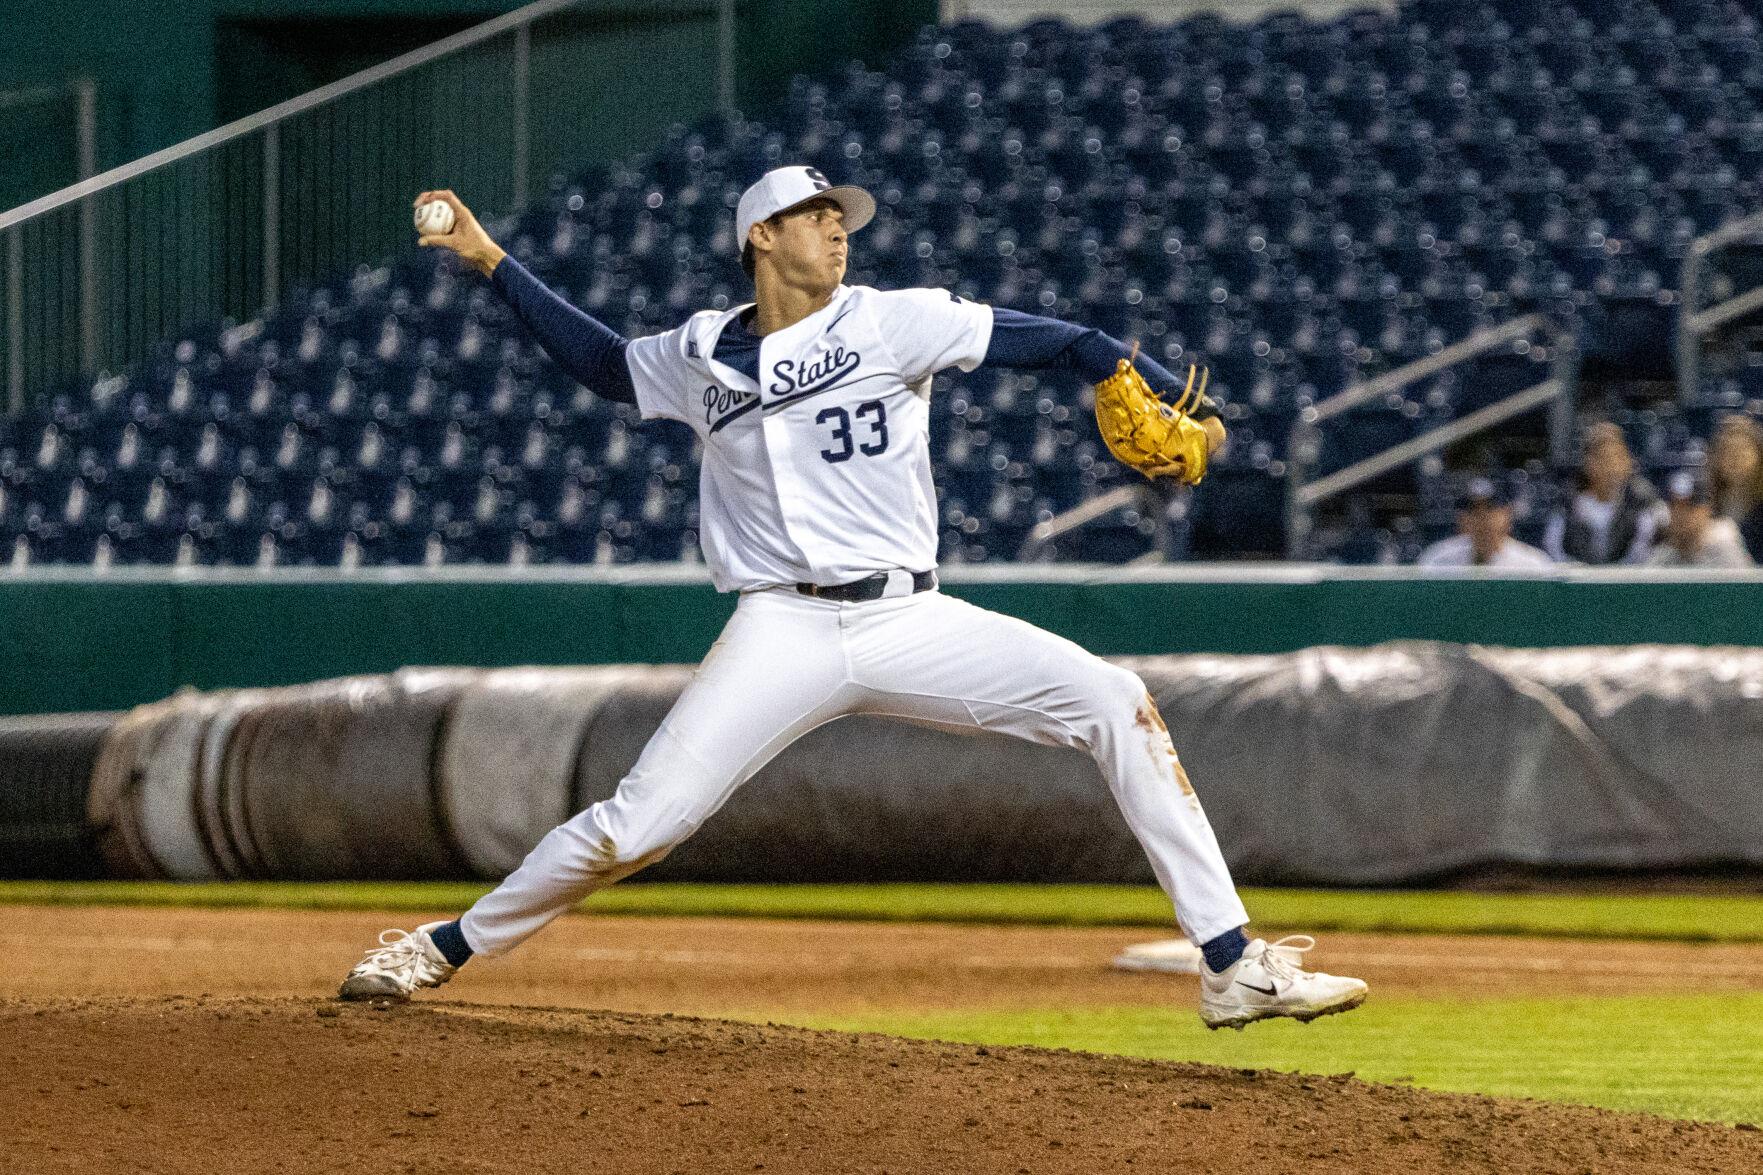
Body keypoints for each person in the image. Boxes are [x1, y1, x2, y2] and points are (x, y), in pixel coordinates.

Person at [336, 169, 1367, 1031]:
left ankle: (1230, 962)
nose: (838, 230)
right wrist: (488, 259)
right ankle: (439, 945)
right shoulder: (698, 354)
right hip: (779, 626)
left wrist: (1141, 377)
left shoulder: (893, 319)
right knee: (639, 824)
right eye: (817, 216)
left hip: (909, 617)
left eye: (843, 219)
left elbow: (1064, 340)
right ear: (761, 236)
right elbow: (605, 365)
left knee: (1113, 699)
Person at [1541, 422, 1661, 564]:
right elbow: (1554, 548)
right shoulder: (1567, 502)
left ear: (1629, 462)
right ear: (1589, 464)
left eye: (1619, 457)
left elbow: (1645, 550)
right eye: (1604, 459)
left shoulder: (1643, 500)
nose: (1613, 466)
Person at [1416, 477, 1555, 569]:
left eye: (1490, 509)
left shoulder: (1533, 565)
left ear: (1506, 514)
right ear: (1462, 518)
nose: (1482, 517)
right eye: (1473, 510)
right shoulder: (1438, 561)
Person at [1647, 469, 1755, 569]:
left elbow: (1747, 587)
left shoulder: (1724, 546)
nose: (1681, 514)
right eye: (1674, 506)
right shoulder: (1665, 553)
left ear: (1706, 509)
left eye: (1689, 506)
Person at [1708, 414, 1763, 560]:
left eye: (1742, 451)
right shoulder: (1708, 506)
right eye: (1728, 452)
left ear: (1758, 456)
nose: (1735, 459)